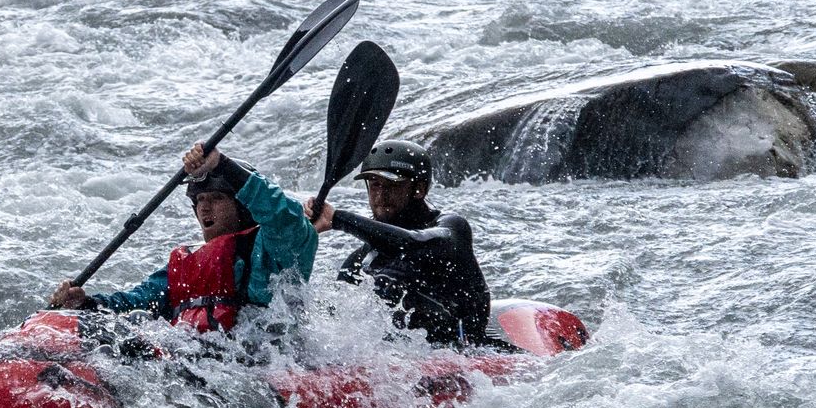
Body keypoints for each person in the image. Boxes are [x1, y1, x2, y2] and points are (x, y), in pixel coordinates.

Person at [50, 144, 317, 334]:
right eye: (200, 200)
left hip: (263, 364)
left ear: (243, 207)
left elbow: (285, 215)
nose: (205, 208)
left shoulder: (276, 248)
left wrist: (222, 165)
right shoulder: (190, 262)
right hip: (203, 365)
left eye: (216, 198)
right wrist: (86, 304)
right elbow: (138, 303)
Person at [304, 139, 491, 345]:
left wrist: (337, 218)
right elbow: (335, 323)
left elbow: (411, 243)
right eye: (375, 185)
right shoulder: (360, 260)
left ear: (419, 189)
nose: (380, 195)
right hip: (401, 361)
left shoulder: (453, 229)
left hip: (461, 352)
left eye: (392, 185)